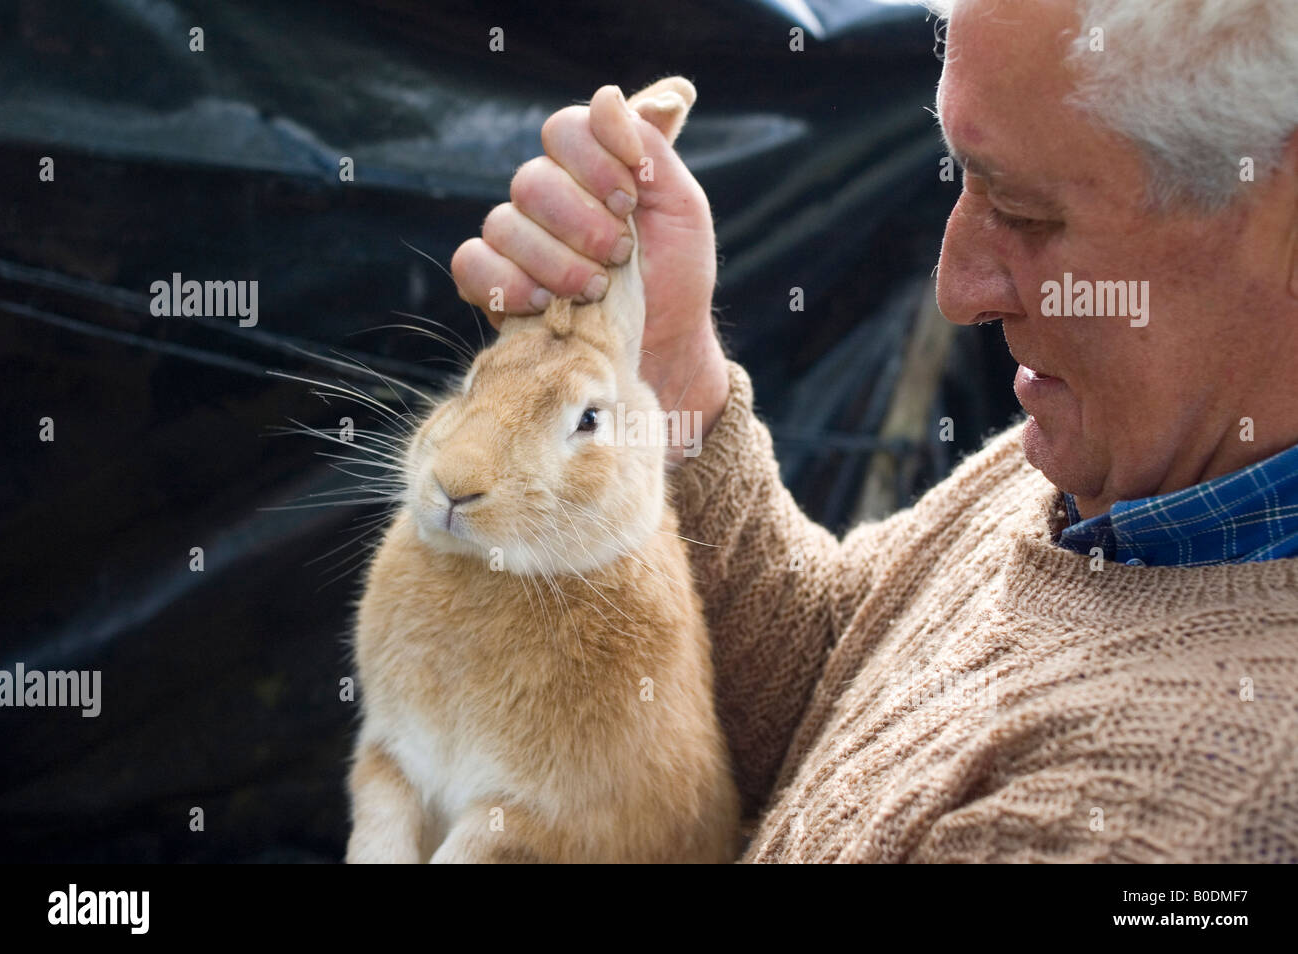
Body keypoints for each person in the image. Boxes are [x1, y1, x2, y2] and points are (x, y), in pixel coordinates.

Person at [450, 0, 1298, 862]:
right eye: (962, 176)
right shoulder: (1148, 465)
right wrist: (659, 373)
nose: (958, 289)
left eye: (1028, 212)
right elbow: (826, 686)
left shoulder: (1194, 821)